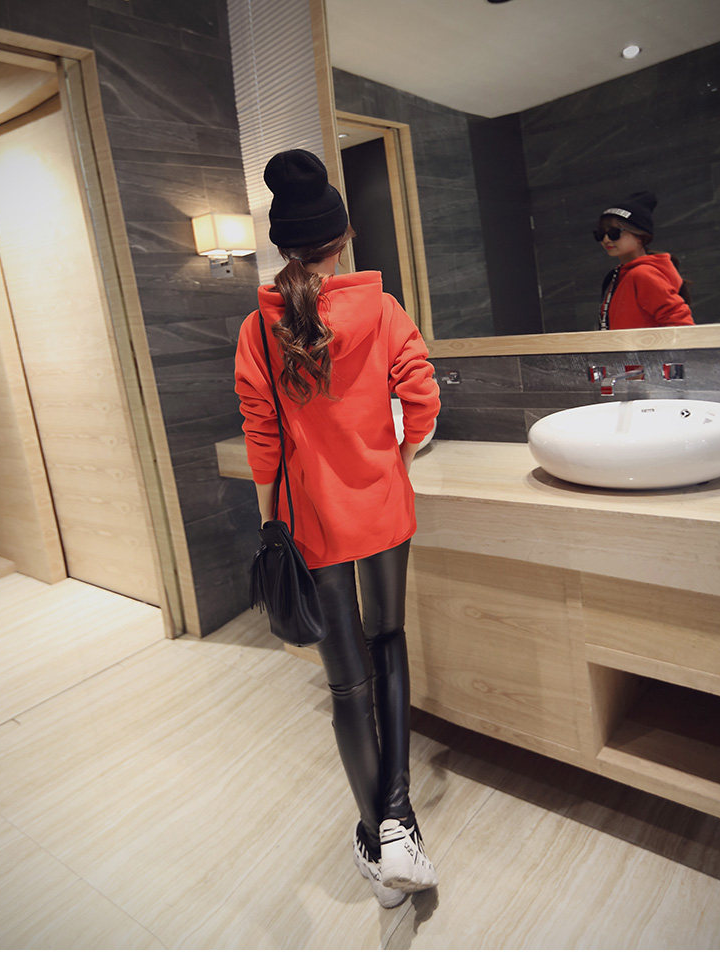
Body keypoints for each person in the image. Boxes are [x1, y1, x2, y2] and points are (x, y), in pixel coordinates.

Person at [234, 149, 441, 908]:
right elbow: (423, 402)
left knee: (346, 681)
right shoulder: (381, 310)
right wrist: (397, 461)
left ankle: (378, 837)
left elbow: (263, 439)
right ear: (343, 236)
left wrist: (270, 517)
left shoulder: (258, 329)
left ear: (284, 244)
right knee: (390, 644)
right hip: (383, 508)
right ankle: (398, 821)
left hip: (311, 522)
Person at [594, 191, 694, 329]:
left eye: (614, 233)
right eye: (600, 234)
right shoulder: (621, 275)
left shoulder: (643, 274)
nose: (606, 239)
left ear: (640, 236)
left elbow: (680, 323)